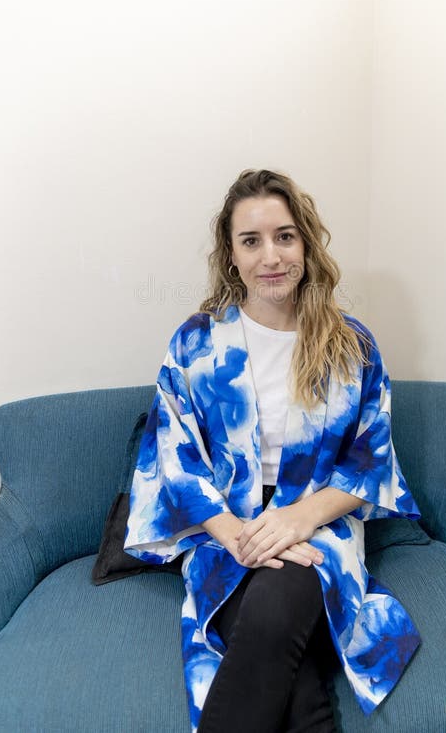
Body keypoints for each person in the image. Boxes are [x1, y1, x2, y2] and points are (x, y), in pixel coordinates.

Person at [124, 169, 421, 733]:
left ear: (306, 244)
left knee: (275, 606)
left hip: (317, 520)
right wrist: (238, 537)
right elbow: (173, 457)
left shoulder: (350, 344)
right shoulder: (196, 341)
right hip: (224, 523)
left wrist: (293, 520)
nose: (272, 257)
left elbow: (370, 459)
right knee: (295, 675)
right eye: (251, 241)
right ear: (231, 255)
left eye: (285, 236)